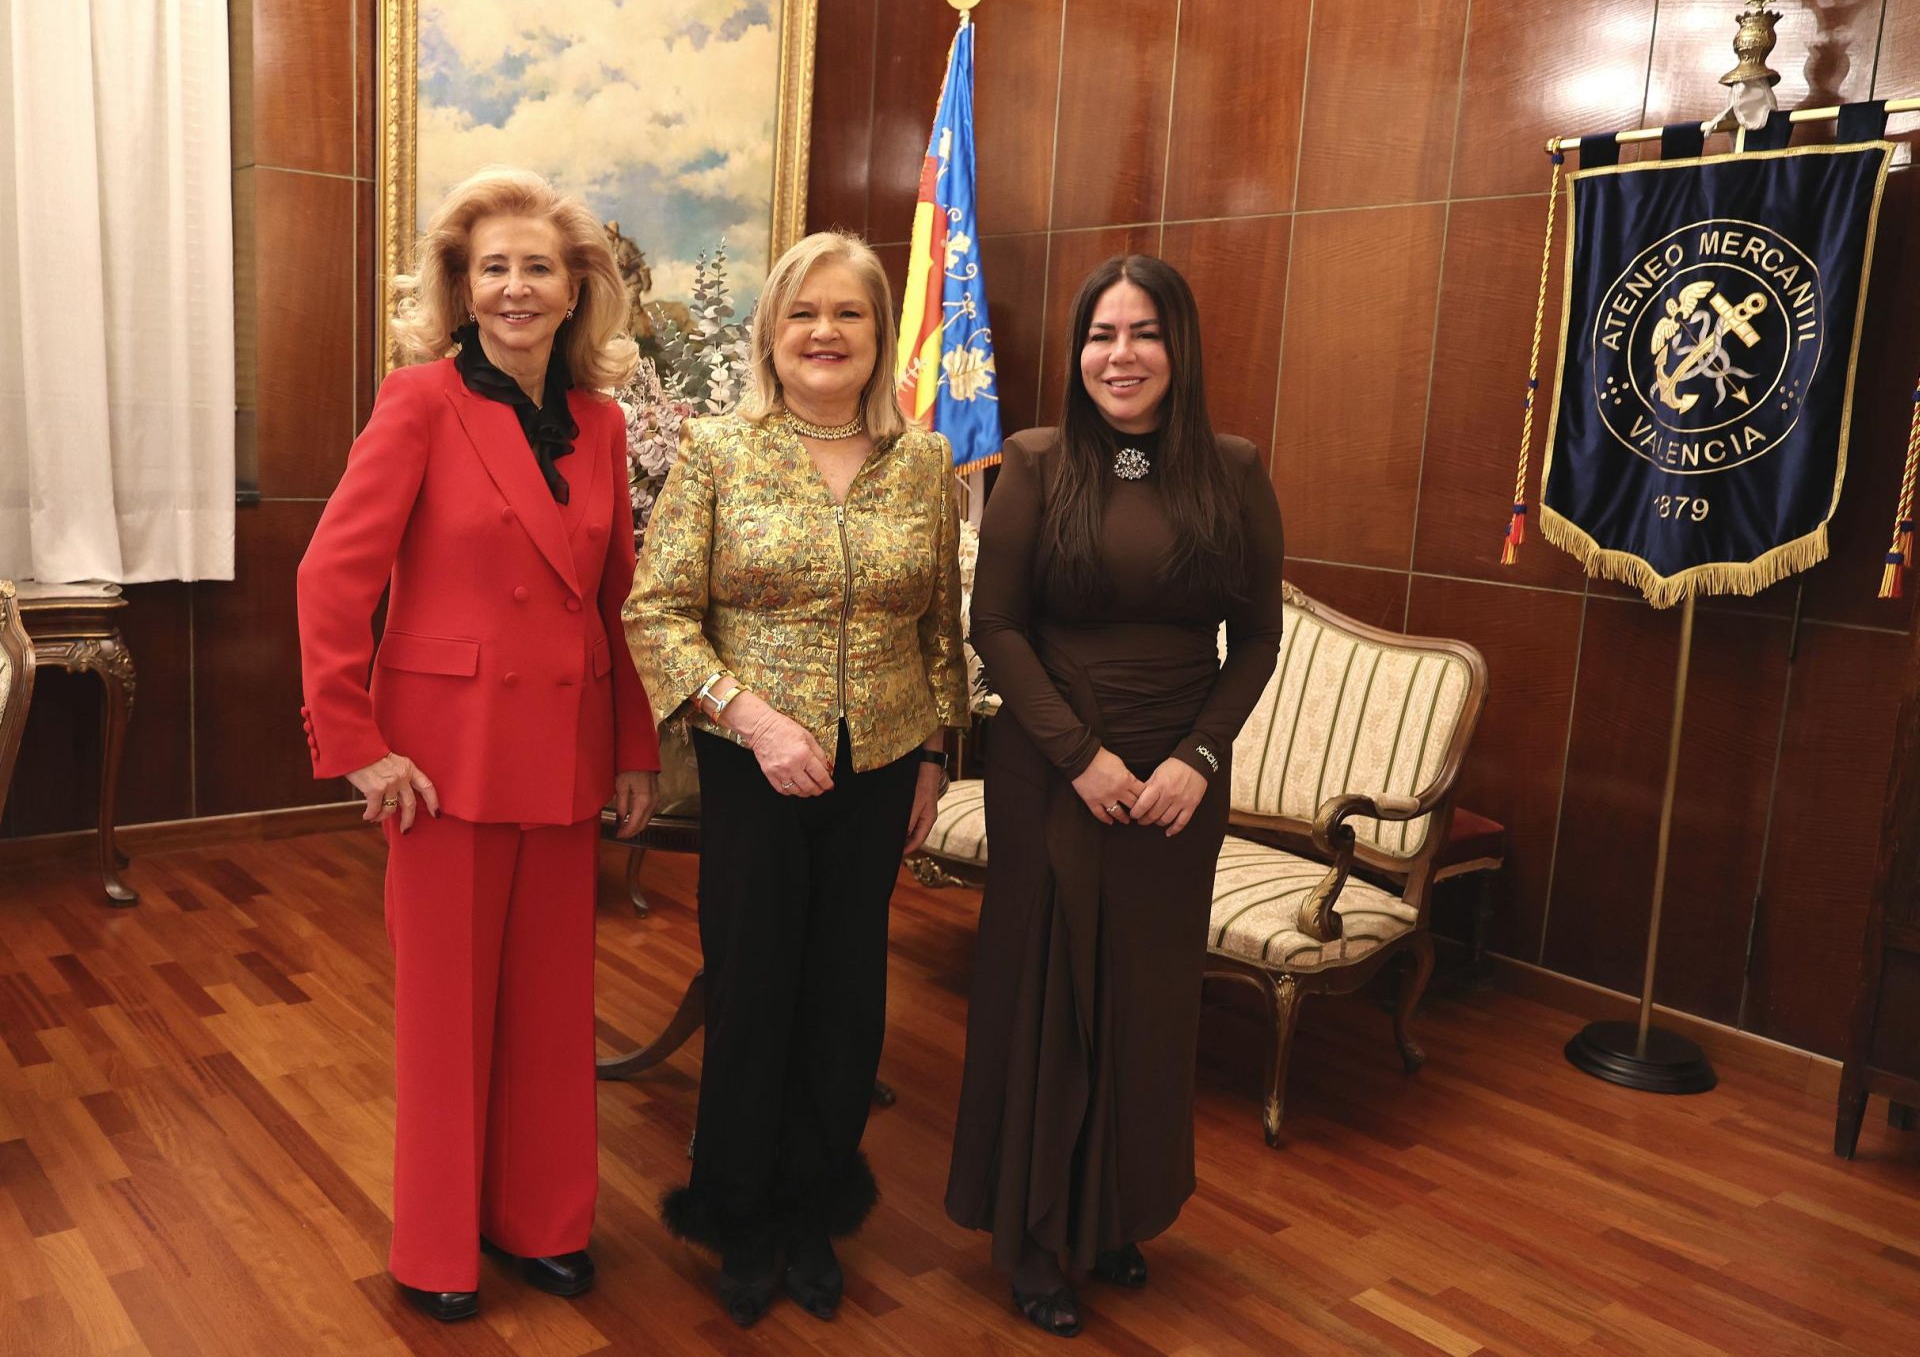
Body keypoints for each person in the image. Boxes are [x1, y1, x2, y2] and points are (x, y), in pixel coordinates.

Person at [296, 167, 659, 1322]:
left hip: (561, 751)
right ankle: (439, 1243)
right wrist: (355, 741)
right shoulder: (417, 400)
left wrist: (636, 748)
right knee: (448, 1018)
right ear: (460, 288)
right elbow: (330, 577)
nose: (515, 287)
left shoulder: (600, 425)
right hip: (441, 764)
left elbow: (616, 601)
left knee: (553, 1011)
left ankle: (543, 1220)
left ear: (574, 291)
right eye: (491, 266)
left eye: (537, 267)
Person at [626, 230, 966, 1327]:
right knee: (755, 985)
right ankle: (735, 1209)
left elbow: (939, 631)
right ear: (773, 332)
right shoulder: (722, 451)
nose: (825, 332)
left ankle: (816, 1204)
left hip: (881, 769)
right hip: (754, 767)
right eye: (803, 312)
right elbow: (657, 612)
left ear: (879, 337)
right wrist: (754, 718)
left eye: (849, 314)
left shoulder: (925, 466)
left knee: (847, 997)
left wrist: (932, 754)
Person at [944, 255, 1286, 1338]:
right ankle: (1040, 1234)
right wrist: (1081, 754)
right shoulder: (1036, 465)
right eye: (1100, 334)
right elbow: (994, 626)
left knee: (1144, 1000)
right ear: (1078, 350)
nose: (1120, 355)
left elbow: (1258, 638)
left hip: (1179, 783)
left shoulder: (1233, 471)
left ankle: (1116, 1214)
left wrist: (1199, 758)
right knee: (1050, 990)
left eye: (1143, 333)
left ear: (1177, 348)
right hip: (1053, 763)